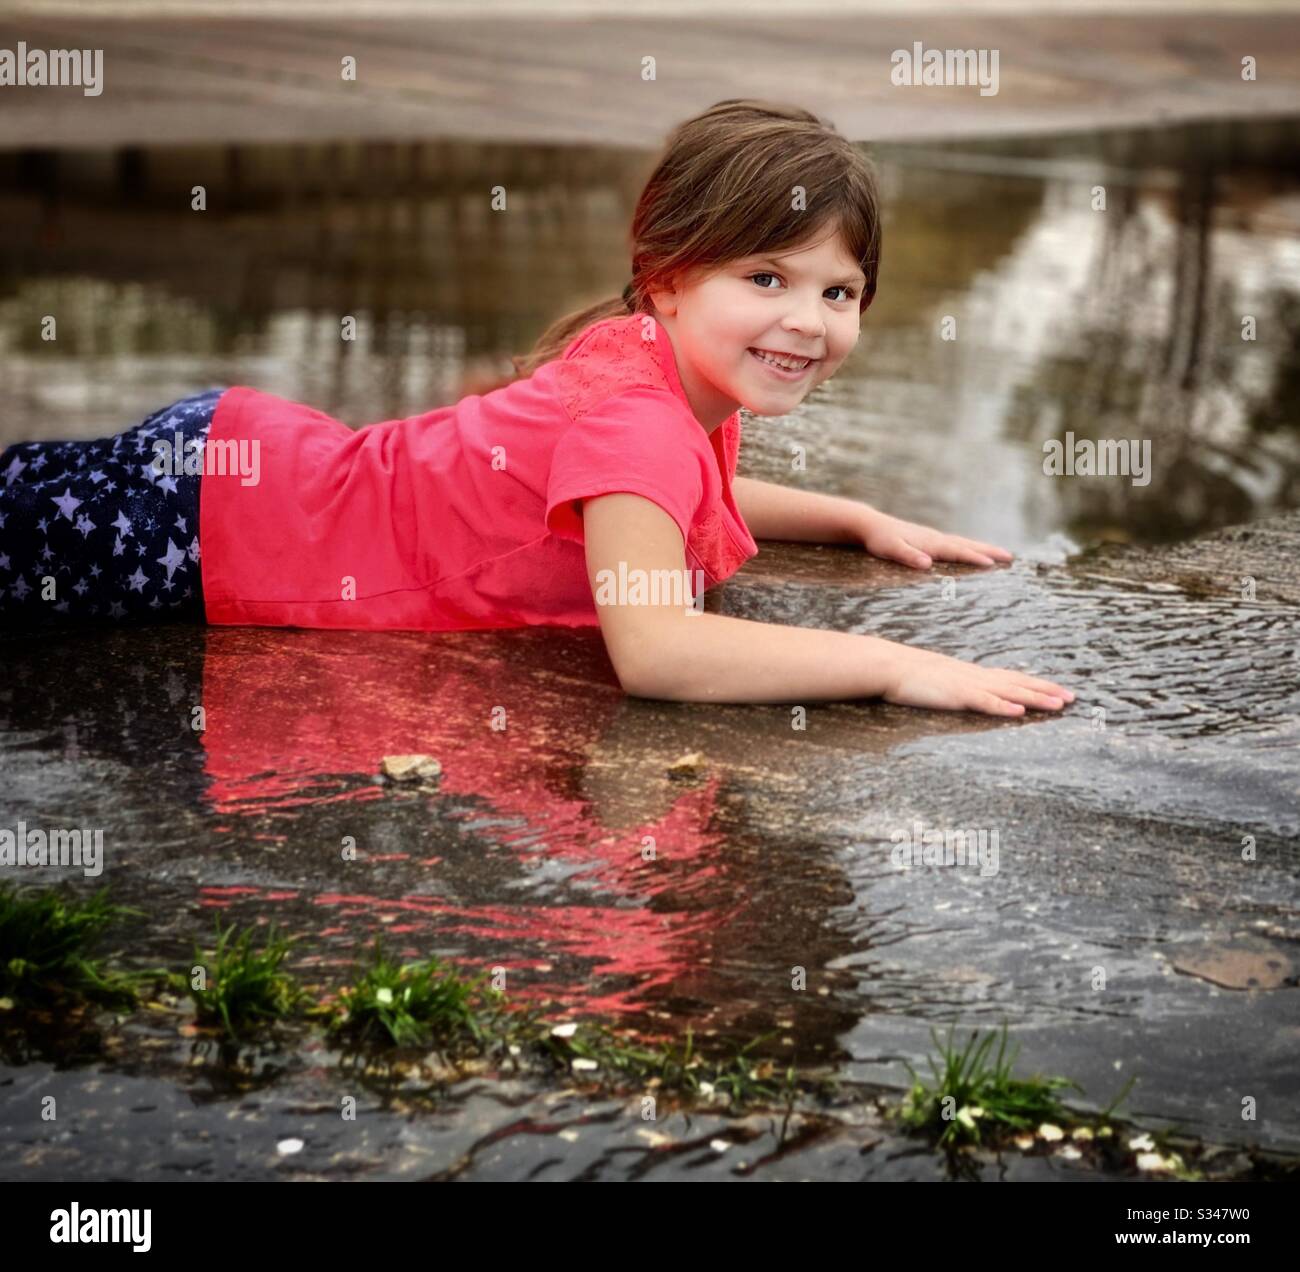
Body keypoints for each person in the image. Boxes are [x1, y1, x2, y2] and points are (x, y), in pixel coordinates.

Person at [0, 98, 1073, 718]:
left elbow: (656, 497)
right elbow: (658, 652)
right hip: (197, 527)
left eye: (838, 294)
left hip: (241, 468)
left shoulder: (661, 368)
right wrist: (894, 666)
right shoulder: (639, 414)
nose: (806, 322)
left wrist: (846, 517)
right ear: (665, 275)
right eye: (767, 279)